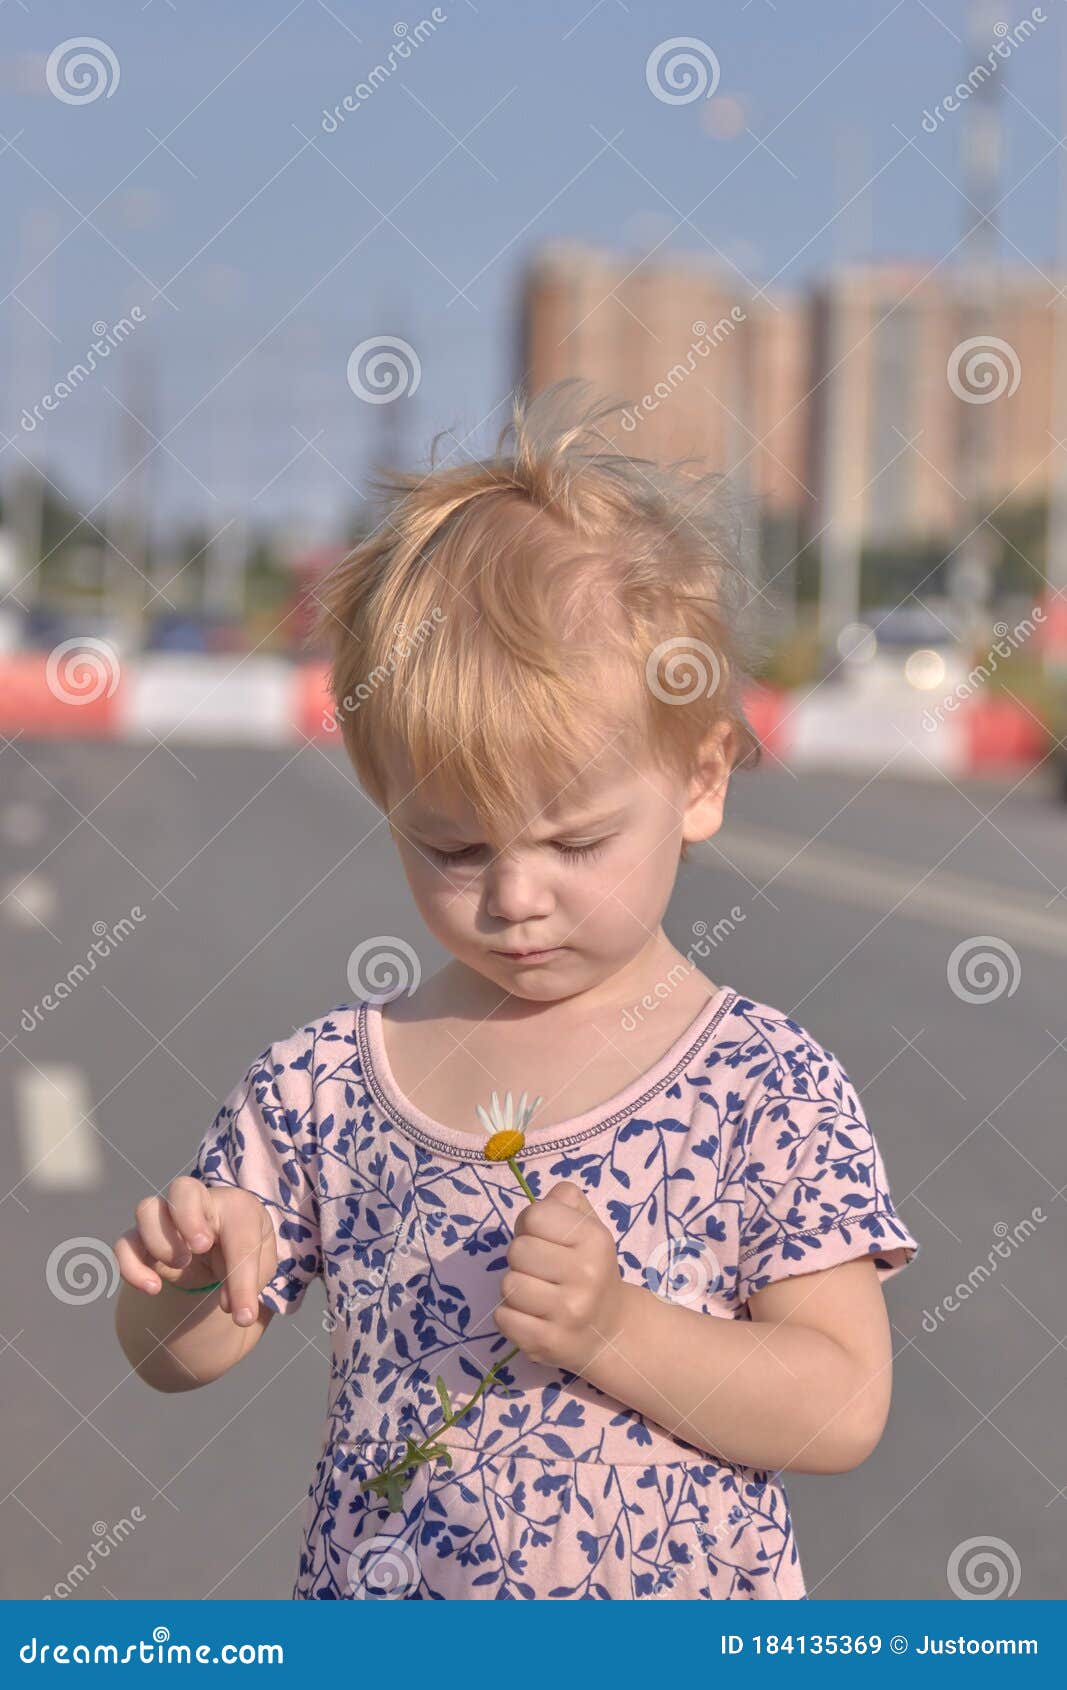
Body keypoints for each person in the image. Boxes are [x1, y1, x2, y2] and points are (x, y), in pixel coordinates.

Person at [113, 380, 920, 1600]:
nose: (514, 897)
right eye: (454, 848)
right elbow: (184, 1356)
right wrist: (181, 1287)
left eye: (574, 843)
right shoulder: (325, 1084)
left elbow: (840, 1403)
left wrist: (615, 1331)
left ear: (700, 780)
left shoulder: (762, 1081)